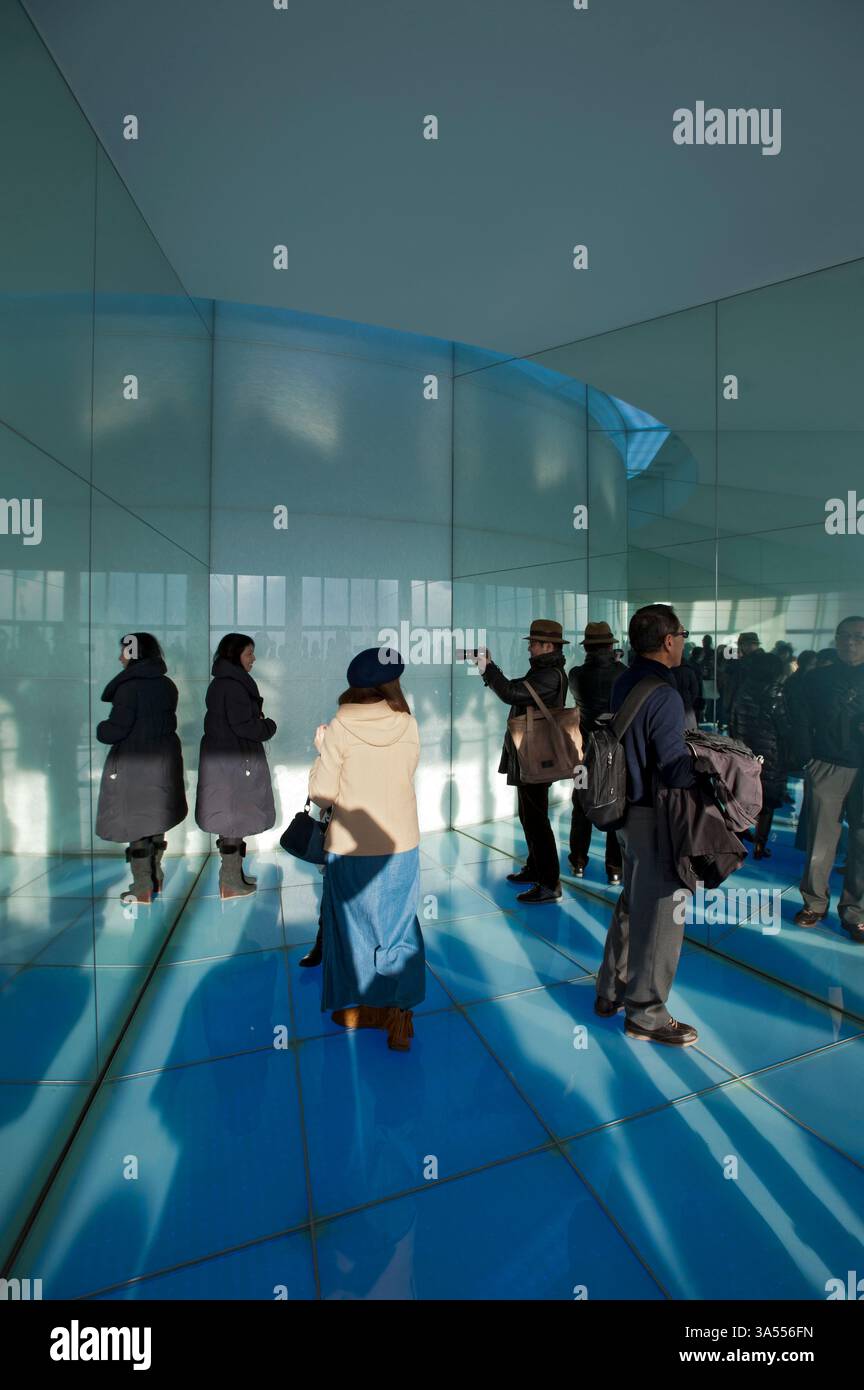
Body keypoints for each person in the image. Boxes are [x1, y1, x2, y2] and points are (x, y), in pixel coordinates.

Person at [308, 647, 425, 1051]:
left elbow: (322, 794)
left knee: (352, 929)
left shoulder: (339, 728)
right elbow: (405, 773)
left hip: (352, 846)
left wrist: (322, 749)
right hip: (402, 843)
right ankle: (400, 1013)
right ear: (390, 685)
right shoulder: (407, 723)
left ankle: (364, 1007)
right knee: (400, 924)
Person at [594, 604, 699, 1045]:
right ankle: (647, 1013)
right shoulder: (665, 694)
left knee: (632, 902)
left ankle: (611, 988)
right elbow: (675, 767)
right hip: (656, 817)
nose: (684, 641)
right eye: (682, 634)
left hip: (625, 813)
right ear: (669, 640)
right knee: (661, 915)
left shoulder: (626, 680)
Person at [474, 619, 570, 904]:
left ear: (548, 646)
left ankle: (549, 883)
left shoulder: (550, 674)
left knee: (536, 819)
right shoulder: (544, 671)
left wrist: (489, 668)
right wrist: (491, 669)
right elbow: (517, 688)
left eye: (533, 643)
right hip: (533, 753)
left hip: (536, 756)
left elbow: (512, 693)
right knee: (530, 815)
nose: (529, 648)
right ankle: (536, 868)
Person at [785, 616, 864, 942]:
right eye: (844, 636)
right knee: (820, 839)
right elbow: (797, 715)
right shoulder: (816, 679)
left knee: (862, 841)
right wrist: (807, 757)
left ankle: (855, 911)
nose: (850, 642)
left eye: (858, 636)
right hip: (827, 764)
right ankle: (815, 903)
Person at [95, 632, 188, 903]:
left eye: (124, 651)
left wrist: (102, 728)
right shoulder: (167, 685)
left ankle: (142, 886)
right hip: (162, 762)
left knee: (135, 825)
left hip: (134, 764)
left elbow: (116, 730)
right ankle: (156, 876)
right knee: (155, 818)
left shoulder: (127, 688)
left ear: (134, 653)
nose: (120, 657)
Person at [195, 633, 277, 898]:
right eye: (249, 653)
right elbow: (245, 726)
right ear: (235, 655)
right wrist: (268, 726)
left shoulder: (224, 683)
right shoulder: (233, 685)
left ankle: (231, 876)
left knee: (232, 819)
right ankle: (229, 882)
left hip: (226, 761)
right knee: (232, 820)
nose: (253, 659)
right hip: (234, 762)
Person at [567, 621, 624, 885]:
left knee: (580, 806)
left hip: (584, 753)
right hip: (614, 754)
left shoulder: (576, 674)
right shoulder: (623, 673)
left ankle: (578, 861)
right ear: (611, 647)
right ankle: (614, 868)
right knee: (616, 804)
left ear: (587, 648)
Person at [728, 650, 789, 858]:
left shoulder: (743, 690)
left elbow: (733, 720)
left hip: (744, 752)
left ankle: (738, 839)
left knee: (743, 797)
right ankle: (760, 846)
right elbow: (783, 727)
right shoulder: (776, 692)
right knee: (767, 803)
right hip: (771, 755)